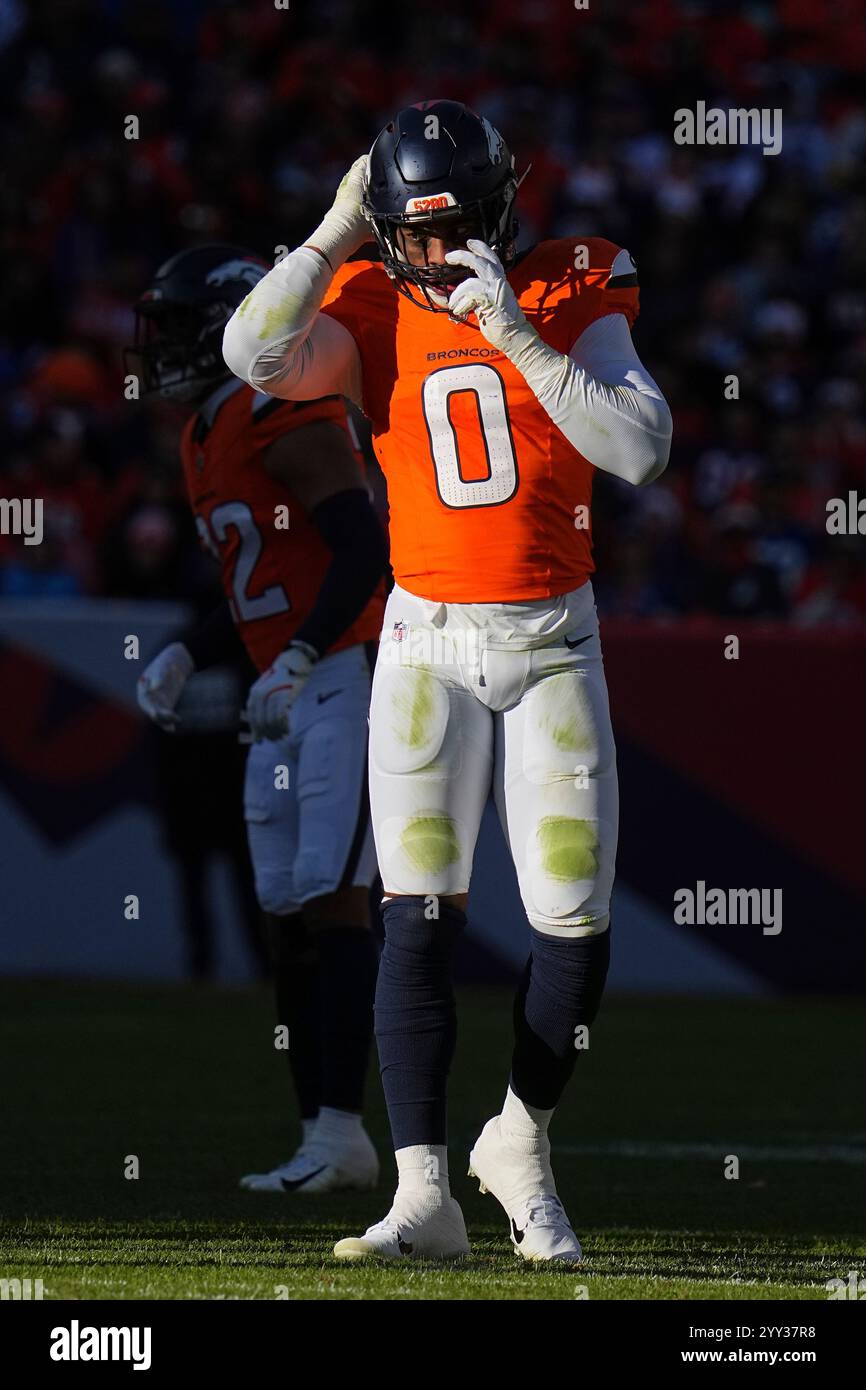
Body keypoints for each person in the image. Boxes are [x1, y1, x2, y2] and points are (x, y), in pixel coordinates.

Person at [223, 101, 672, 1262]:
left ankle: (518, 1137)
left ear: (497, 210)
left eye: (448, 232)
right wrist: (327, 234)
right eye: (406, 236)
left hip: (549, 637)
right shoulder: (365, 299)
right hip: (423, 639)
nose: (429, 257)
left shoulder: (574, 279)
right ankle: (420, 1188)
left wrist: (519, 334)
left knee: (570, 921)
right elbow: (249, 353)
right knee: (413, 914)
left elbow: (639, 445)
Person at [133, 244, 388, 1193]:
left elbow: (364, 547)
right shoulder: (207, 430)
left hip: (344, 673)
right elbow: (260, 581)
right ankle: (321, 1138)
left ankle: (348, 1134)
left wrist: (302, 652)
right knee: (283, 907)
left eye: (171, 328)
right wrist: (191, 648)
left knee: (333, 895)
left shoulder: (273, 404)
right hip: (283, 687)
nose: (157, 349)